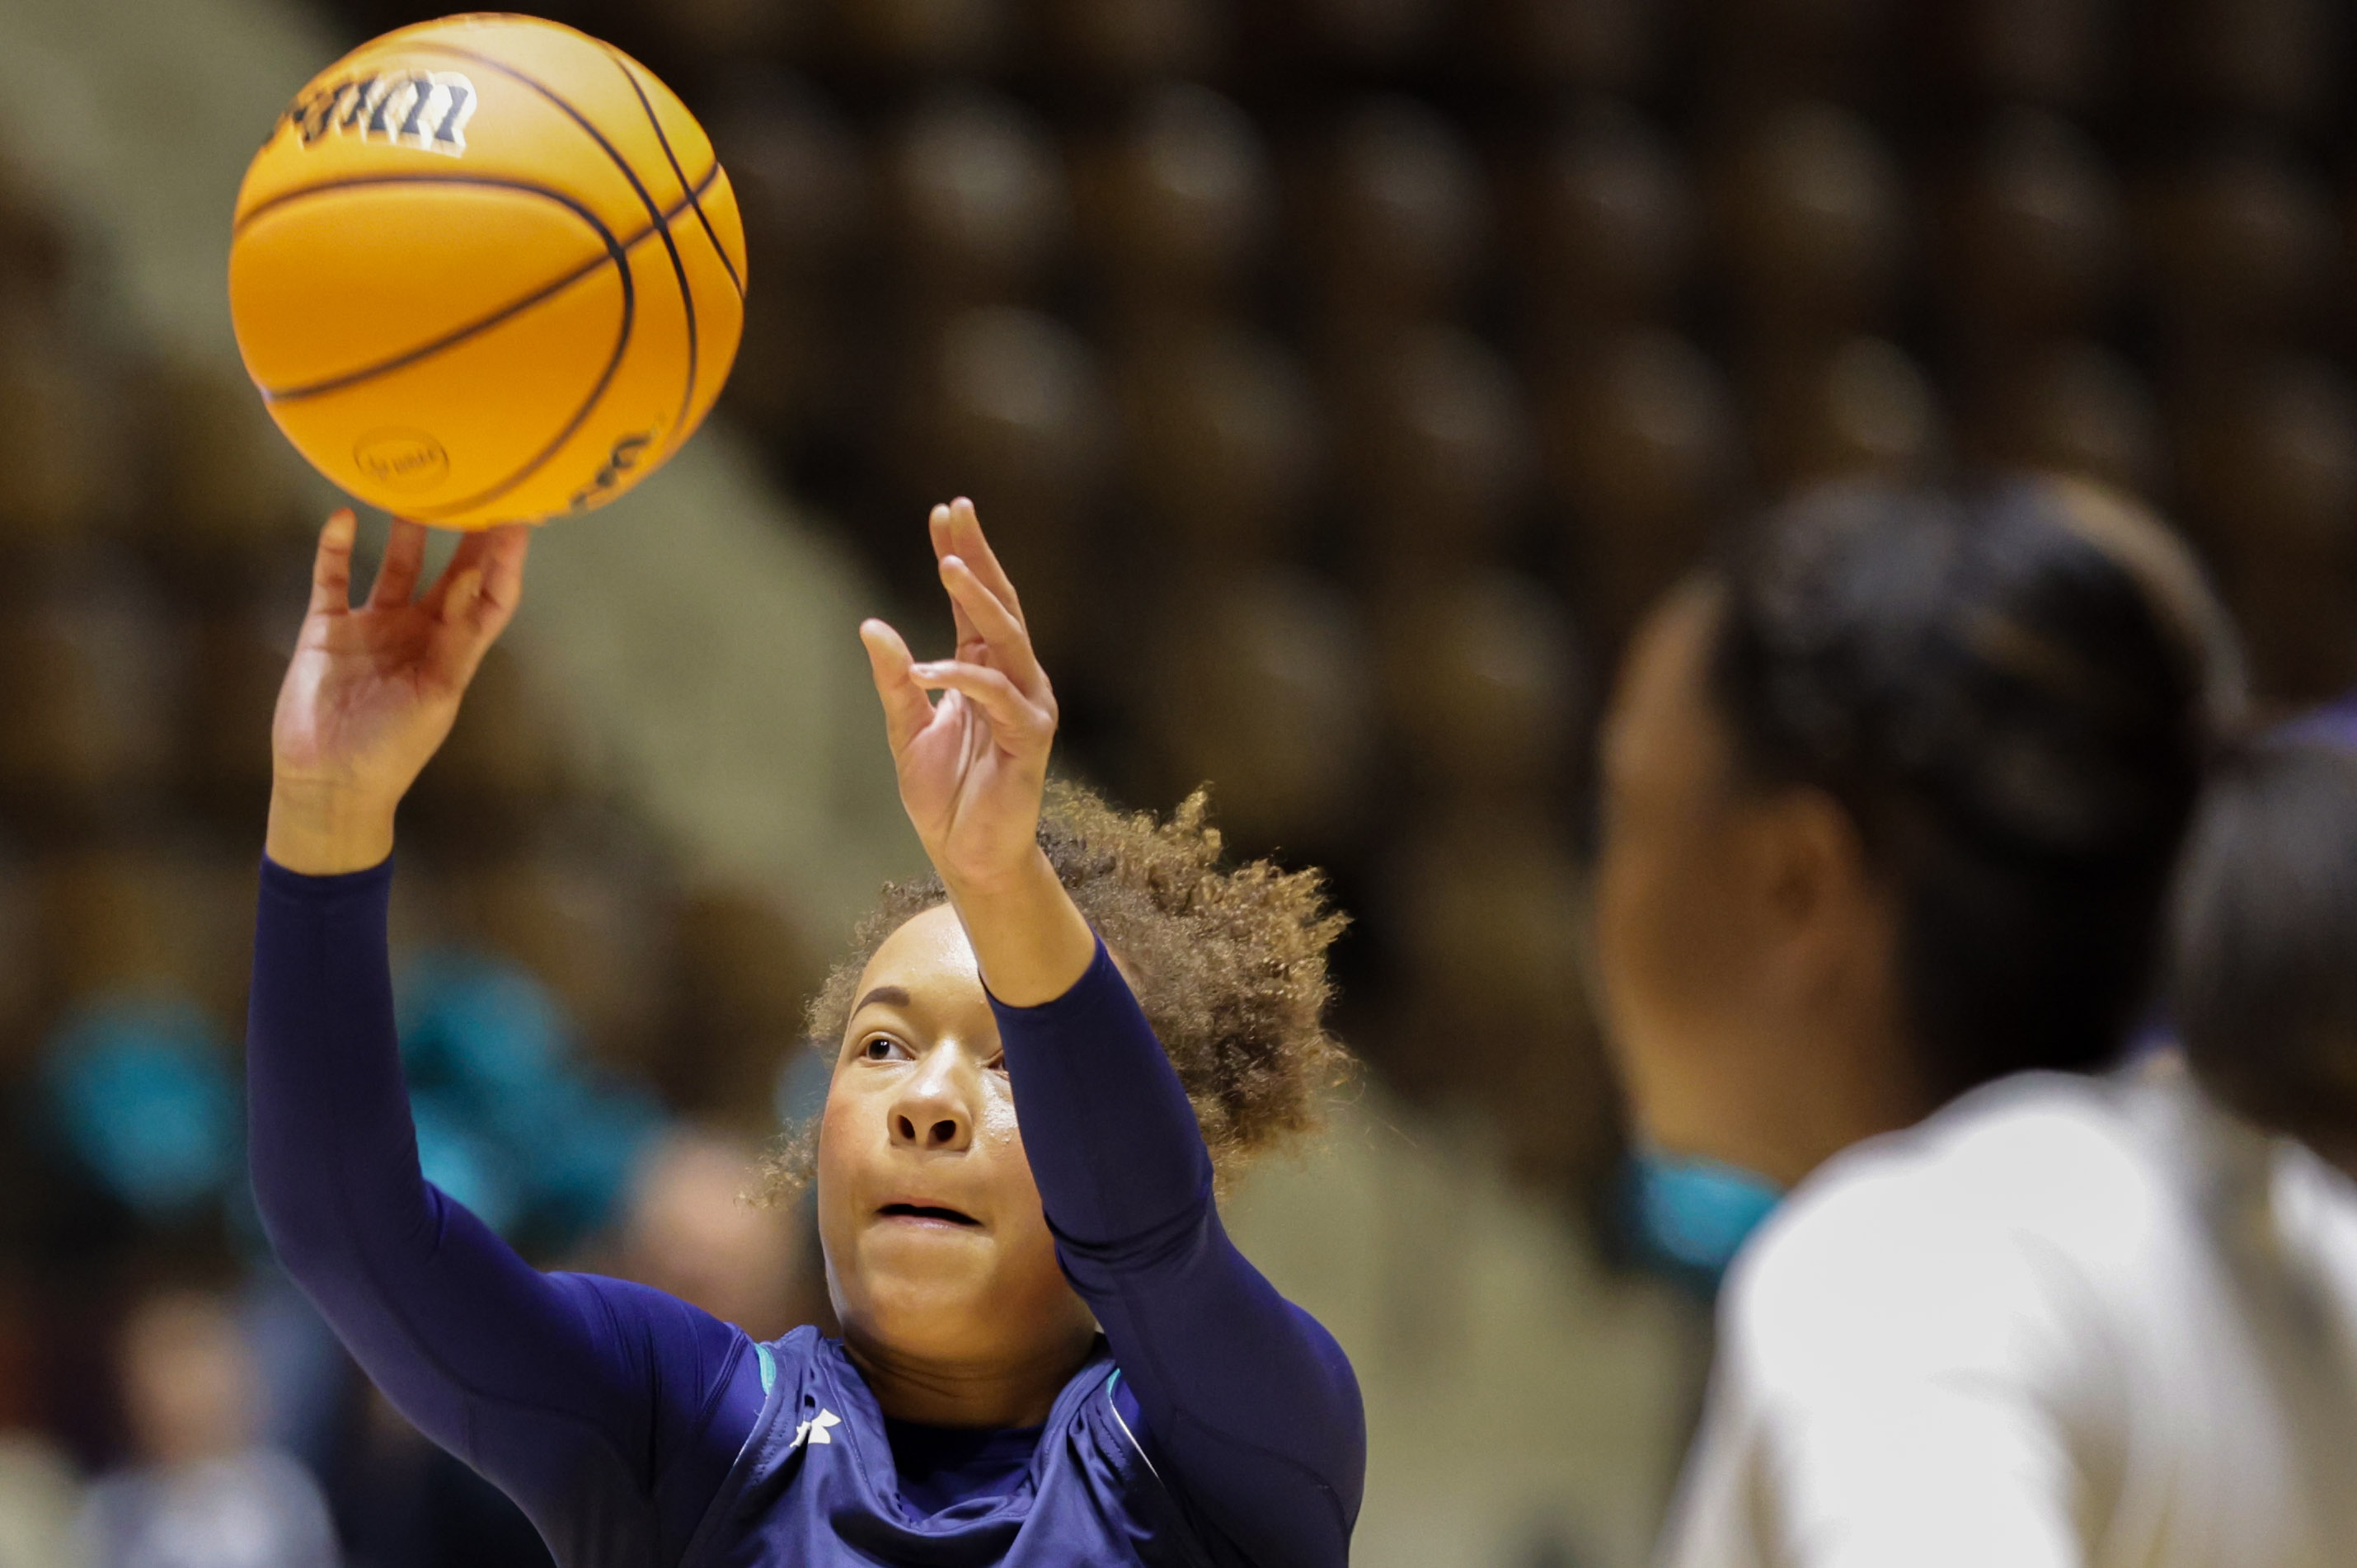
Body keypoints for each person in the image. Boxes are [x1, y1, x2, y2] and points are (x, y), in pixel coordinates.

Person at [246, 500, 1364, 1567]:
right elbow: (348, 1224)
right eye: (881, 1047)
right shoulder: (687, 1424)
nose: (925, 1104)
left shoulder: (1240, 1447)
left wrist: (999, 878)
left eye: (1013, 1061)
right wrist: (329, 811)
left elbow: (1146, 1240)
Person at [1581, 474, 2350, 1564]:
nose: (1600, 893)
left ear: (1795, 884)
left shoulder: (1907, 1268)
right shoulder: (2290, 1234)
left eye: (1627, 810)